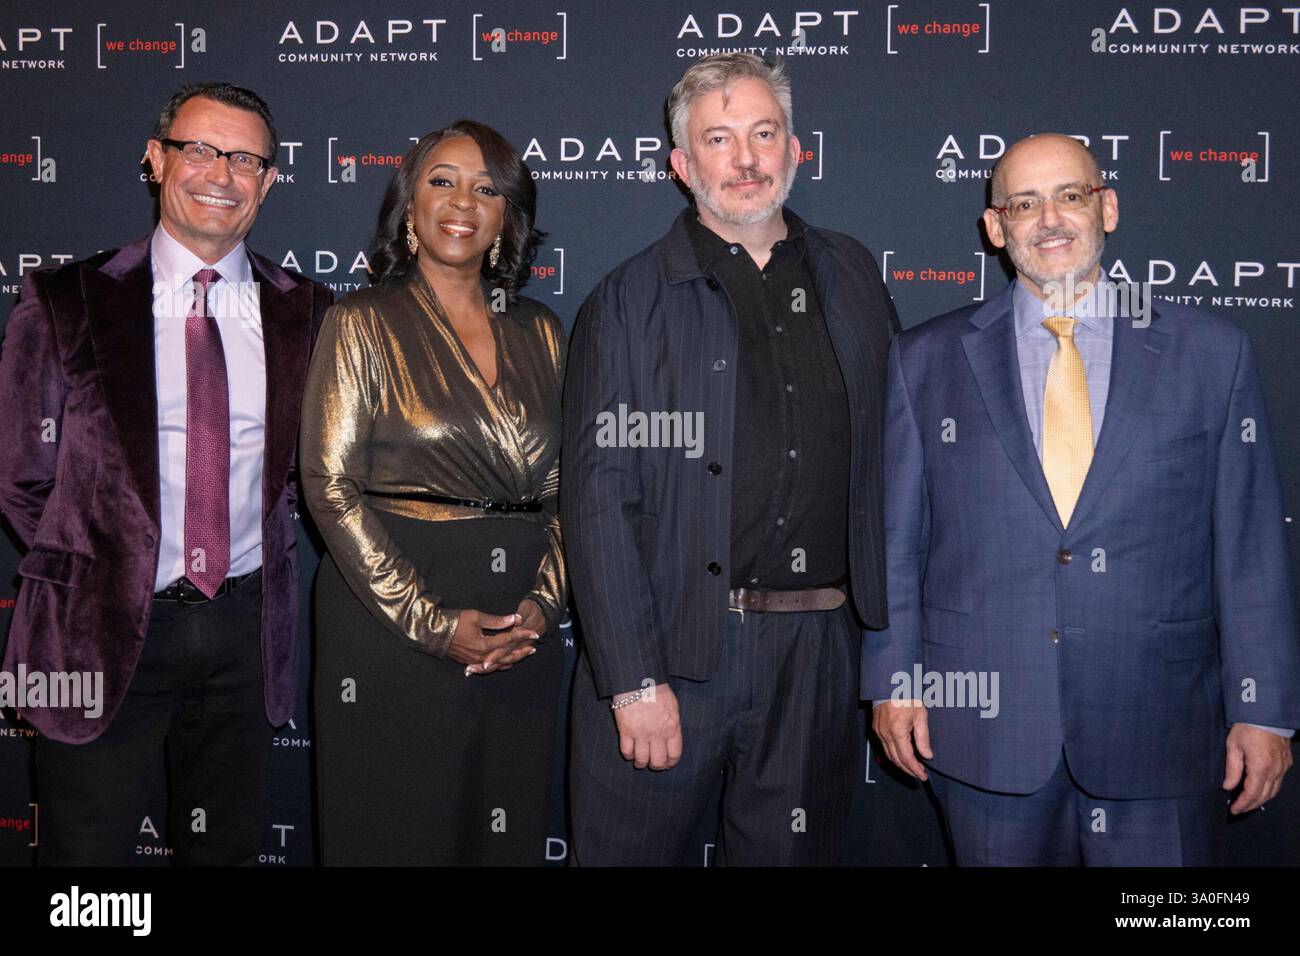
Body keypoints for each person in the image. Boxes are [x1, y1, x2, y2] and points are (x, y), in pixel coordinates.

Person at [864, 133, 1300, 865]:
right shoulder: (926, 361)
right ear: (995, 229)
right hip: (984, 731)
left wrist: (1265, 709)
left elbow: (1251, 548)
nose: (1050, 220)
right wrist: (894, 679)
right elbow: (898, 544)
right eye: (1024, 203)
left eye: (1070, 195)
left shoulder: (1211, 353)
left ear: (1109, 207)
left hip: (1159, 729)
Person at [563, 53, 898, 866]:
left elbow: (897, 465)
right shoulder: (627, 301)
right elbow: (598, 499)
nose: (745, 160)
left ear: (795, 149)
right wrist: (635, 682)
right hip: (672, 654)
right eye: (718, 139)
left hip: (818, 656)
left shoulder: (851, 273)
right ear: (683, 166)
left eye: (763, 133)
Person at [0, 82, 332, 865]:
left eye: (245, 158)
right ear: (156, 160)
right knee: (84, 868)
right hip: (98, 632)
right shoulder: (66, 299)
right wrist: (102, 565)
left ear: (270, 180)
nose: (221, 172)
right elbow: (20, 474)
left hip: (244, 636)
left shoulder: (310, 311)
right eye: (200, 149)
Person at [301, 119, 566, 866]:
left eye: (489, 188)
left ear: (508, 217)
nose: (464, 202)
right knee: (394, 834)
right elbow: (328, 485)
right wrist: (426, 620)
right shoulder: (361, 322)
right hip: (390, 618)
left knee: (502, 833)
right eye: (442, 180)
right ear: (409, 205)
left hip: (519, 630)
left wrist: (543, 608)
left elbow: (568, 490)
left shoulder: (541, 331)